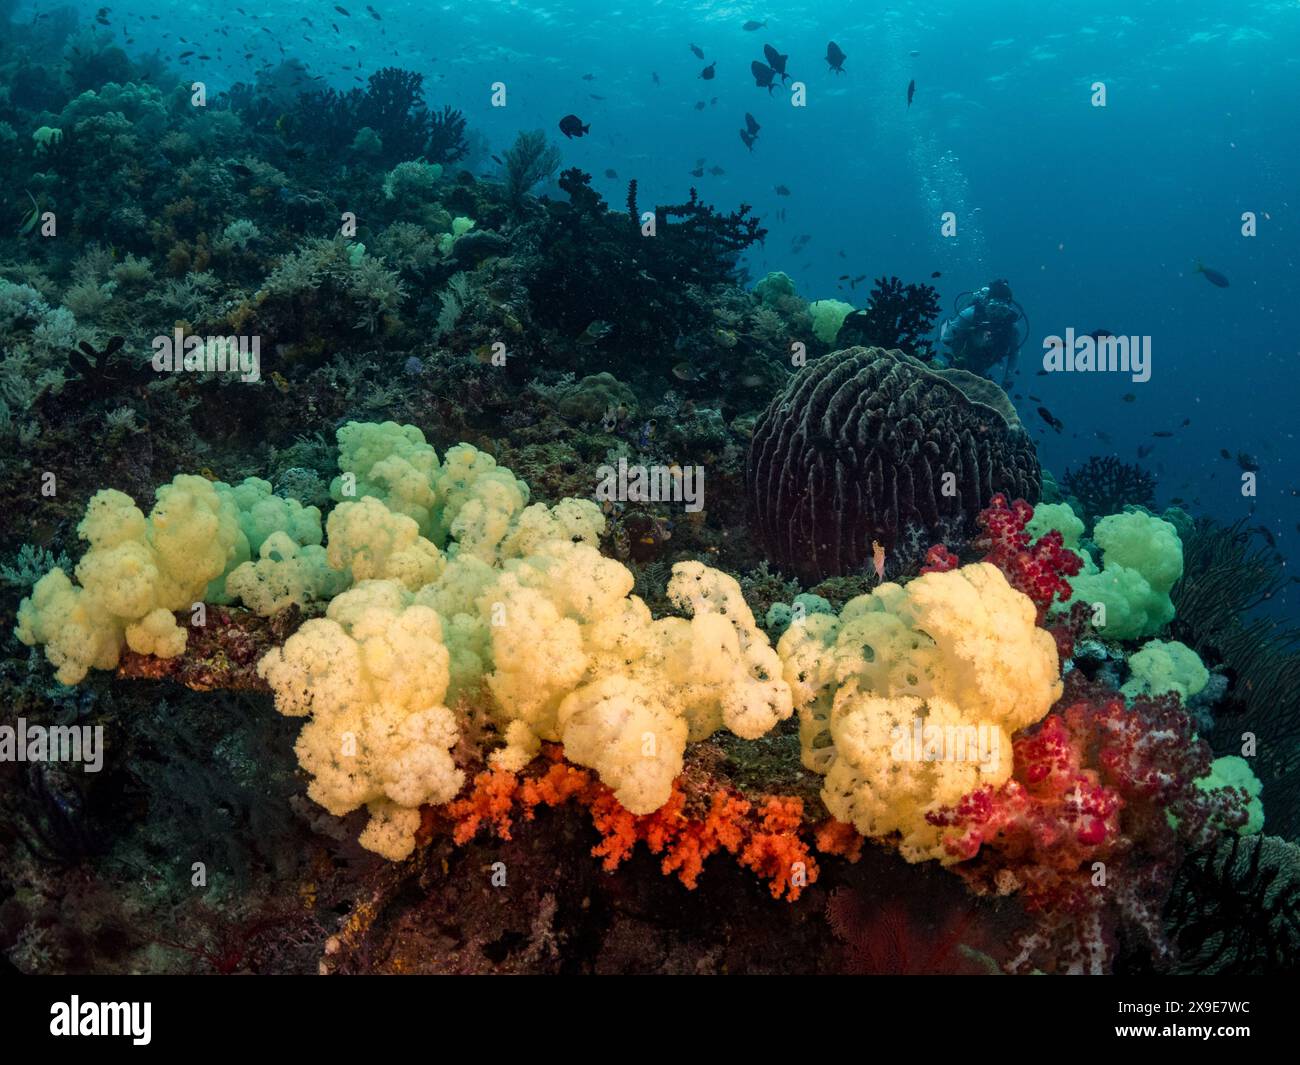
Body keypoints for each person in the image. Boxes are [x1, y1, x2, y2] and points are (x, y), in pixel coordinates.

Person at [938, 279, 1027, 387]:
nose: (996, 315)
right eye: (993, 308)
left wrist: (1008, 378)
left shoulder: (1011, 327)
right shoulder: (971, 313)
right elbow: (947, 339)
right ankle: (946, 324)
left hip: (986, 358)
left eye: (1003, 310)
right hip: (962, 348)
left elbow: (1014, 353)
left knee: (977, 371)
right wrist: (952, 360)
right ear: (986, 304)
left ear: (1008, 311)